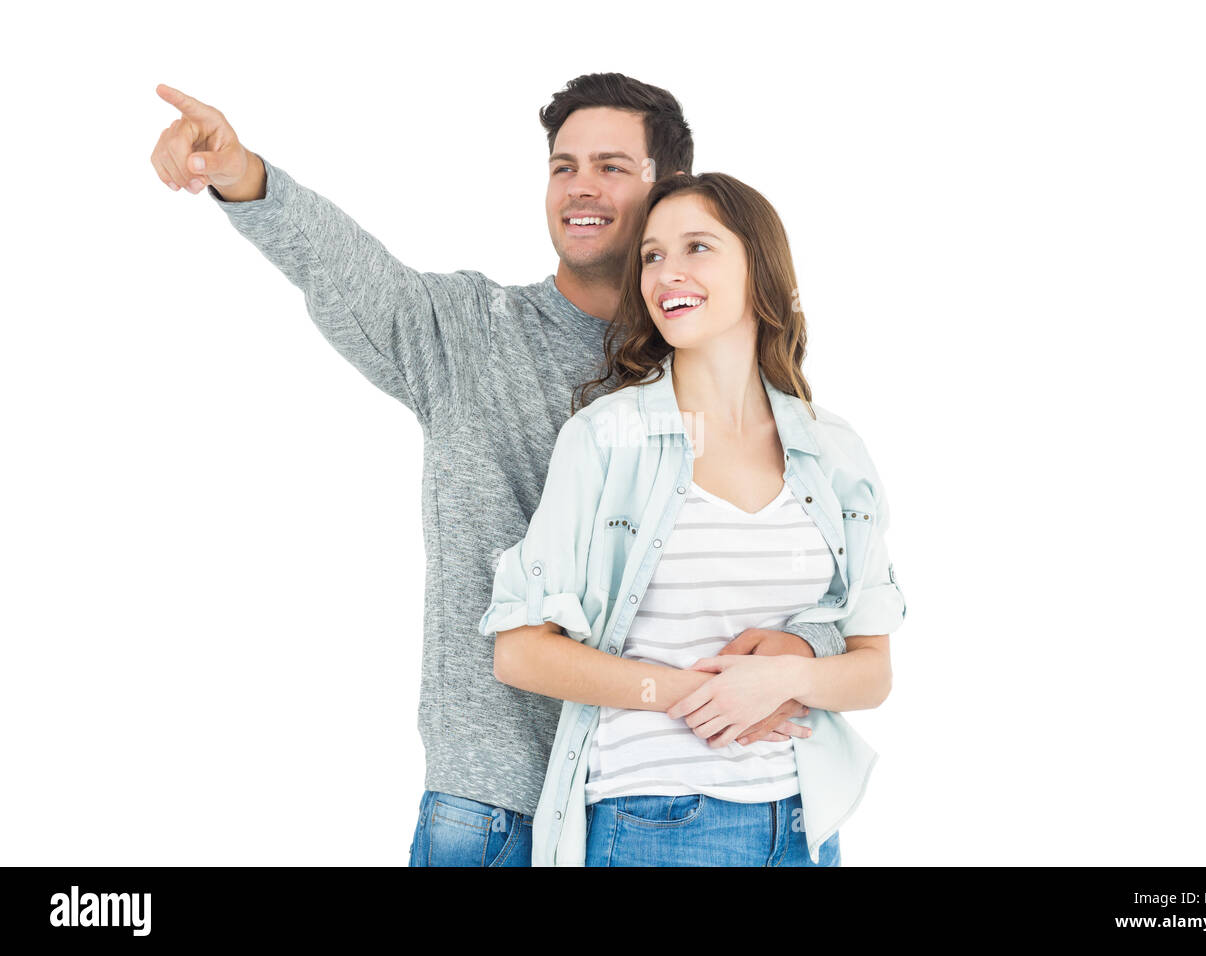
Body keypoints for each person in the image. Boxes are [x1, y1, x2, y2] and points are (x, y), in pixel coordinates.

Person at [149, 73, 854, 866]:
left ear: (672, 190)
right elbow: (346, 273)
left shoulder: (720, 375)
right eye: (564, 166)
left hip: (674, 802)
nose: (580, 187)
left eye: (613, 167)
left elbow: (804, 579)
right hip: (497, 806)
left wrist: (808, 653)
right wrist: (245, 175)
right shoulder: (471, 336)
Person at [480, 169, 908, 866]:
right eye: (652, 255)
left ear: (759, 270)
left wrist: (784, 677)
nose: (665, 272)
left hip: (803, 827)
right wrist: (691, 694)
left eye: (696, 247)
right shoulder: (603, 439)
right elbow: (520, 650)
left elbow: (873, 671)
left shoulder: (833, 451)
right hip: (655, 821)